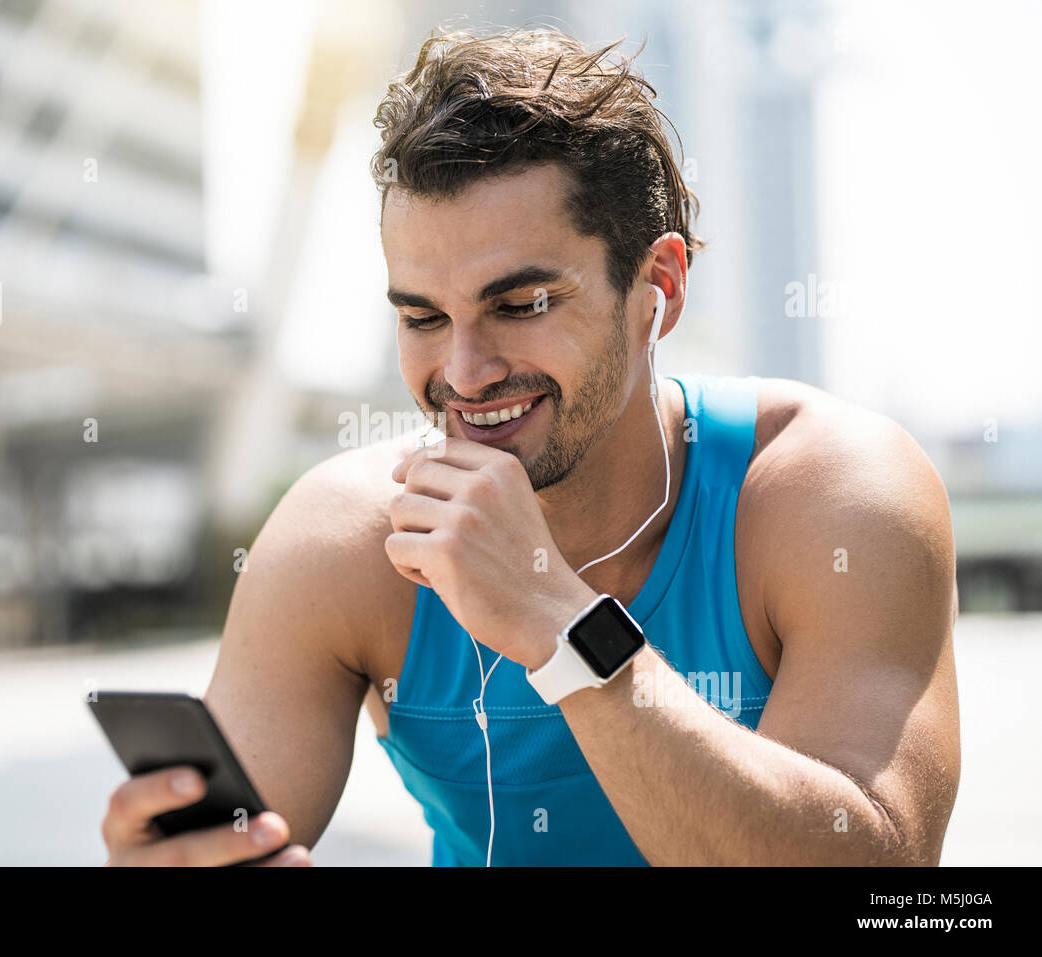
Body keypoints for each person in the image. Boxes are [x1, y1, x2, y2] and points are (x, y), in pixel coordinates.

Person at [101, 25, 959, 867]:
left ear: (657, 287)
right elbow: (221, 842)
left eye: (522, 305)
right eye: (423, 317)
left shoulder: (836, 496)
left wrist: (560, 620)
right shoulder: (348, 543)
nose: (465, 375)